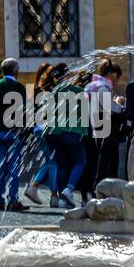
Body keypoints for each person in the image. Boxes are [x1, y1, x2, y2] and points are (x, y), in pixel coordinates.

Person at [0, 57, 29, 213]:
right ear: (15, 71)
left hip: (0, 132)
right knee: (14, 168)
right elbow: (26, 112)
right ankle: (13, 200)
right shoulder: (20, 88)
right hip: (15, 132)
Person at [24, 63, 67, 207]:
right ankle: (41, 190)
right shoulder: (54, 92)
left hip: (38, 129)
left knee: (49, 162)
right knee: (52, 163)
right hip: (48, 130)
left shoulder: (35, 90)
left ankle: (49, 194)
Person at [82, 60, 126, 197]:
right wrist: (120, 104)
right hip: (104, 128)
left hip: (95, 126)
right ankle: (98, 190)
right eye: (117, 76)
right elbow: (110, 109)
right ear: (111, 74)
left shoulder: (94, 86)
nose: (118, 80)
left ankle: (94, 189)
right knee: (106, 161)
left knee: (101, 160)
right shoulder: (102, 88)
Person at [48, 70, 91, 209]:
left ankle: (61, 198)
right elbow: (86, 113)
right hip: (73, 132)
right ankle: (68, 190)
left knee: (61, 164)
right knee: (80, 162)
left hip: (54, 133)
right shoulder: (78, 91)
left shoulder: (54, 92)